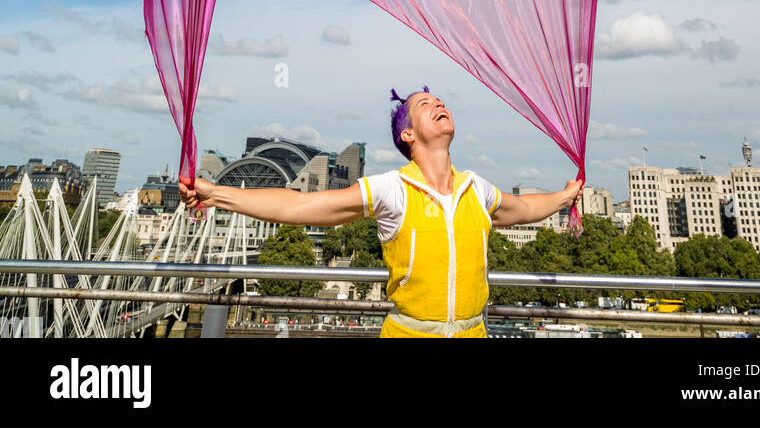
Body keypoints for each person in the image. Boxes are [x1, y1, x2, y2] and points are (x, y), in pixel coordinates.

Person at [179, 85, 583, 339]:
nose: (439, 103)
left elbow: (526, 208)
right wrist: (217, 194)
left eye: (440, 100)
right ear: (408, 135)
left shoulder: (475, 189)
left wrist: (564, 198)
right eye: (426, 104)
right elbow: (299, 204)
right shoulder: (392, 189)